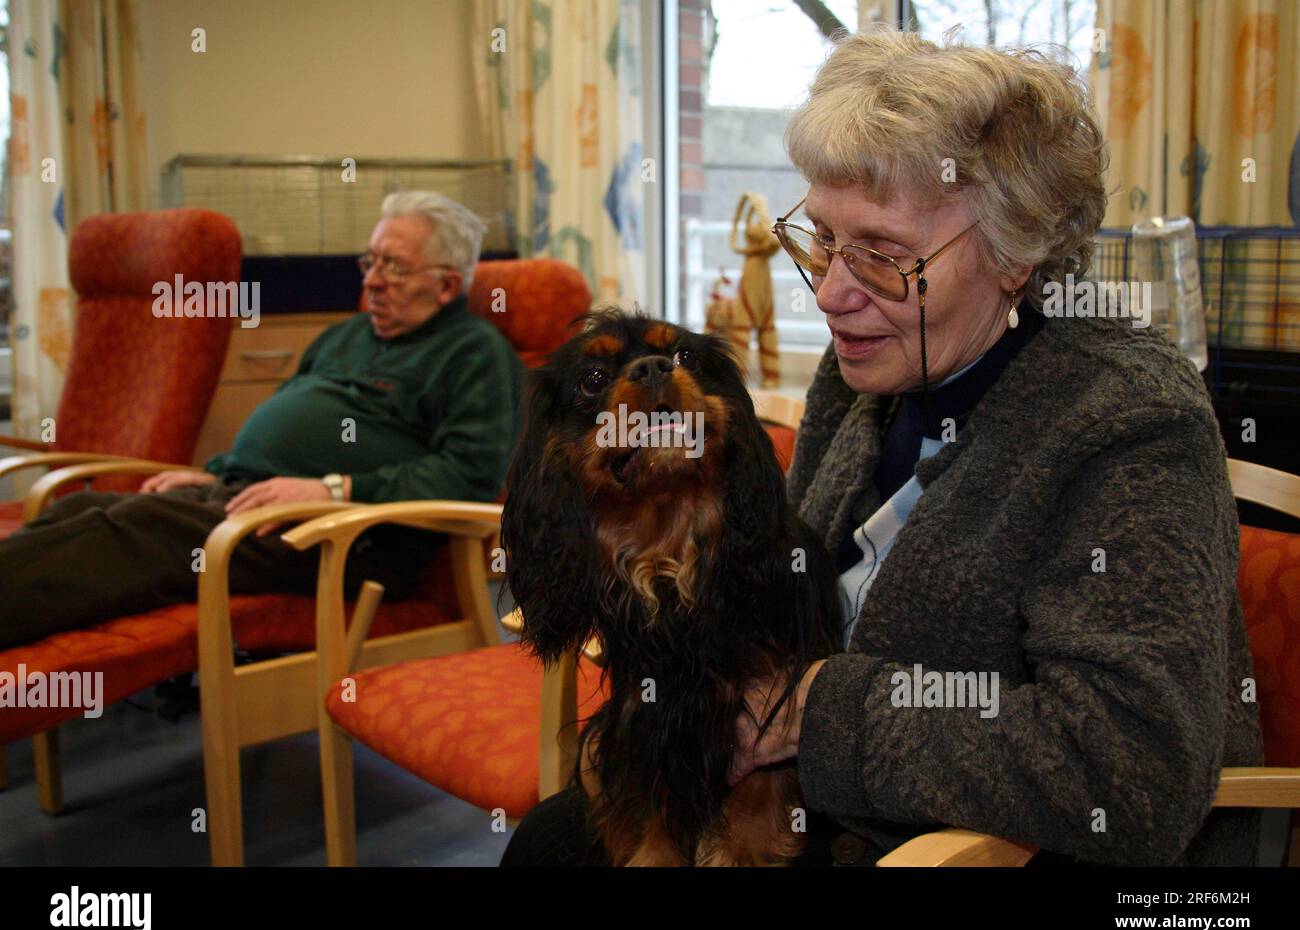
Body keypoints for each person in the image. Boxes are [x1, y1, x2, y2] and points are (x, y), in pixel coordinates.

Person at [503, 28, 1262, 866]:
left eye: (883, 255)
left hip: (981, 852)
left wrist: (813, 713)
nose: (830, 292)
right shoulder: (871, 364)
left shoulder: (1128, 423)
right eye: (822, 239)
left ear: (1016, 256)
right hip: (821, 813)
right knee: (550, 839)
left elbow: (1131, 773)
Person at [0, 191, 523, 649]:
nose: (374, 282)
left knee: (132, 531)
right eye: (371, 262)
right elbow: (281, 428)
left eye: (395, 267)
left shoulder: (475, 354)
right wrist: (216, 472)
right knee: (87, 507)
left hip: (348, 537)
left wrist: (335, 489)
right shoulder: (344, 336)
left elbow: (468, 480)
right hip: (256, 501)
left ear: (447, 285)